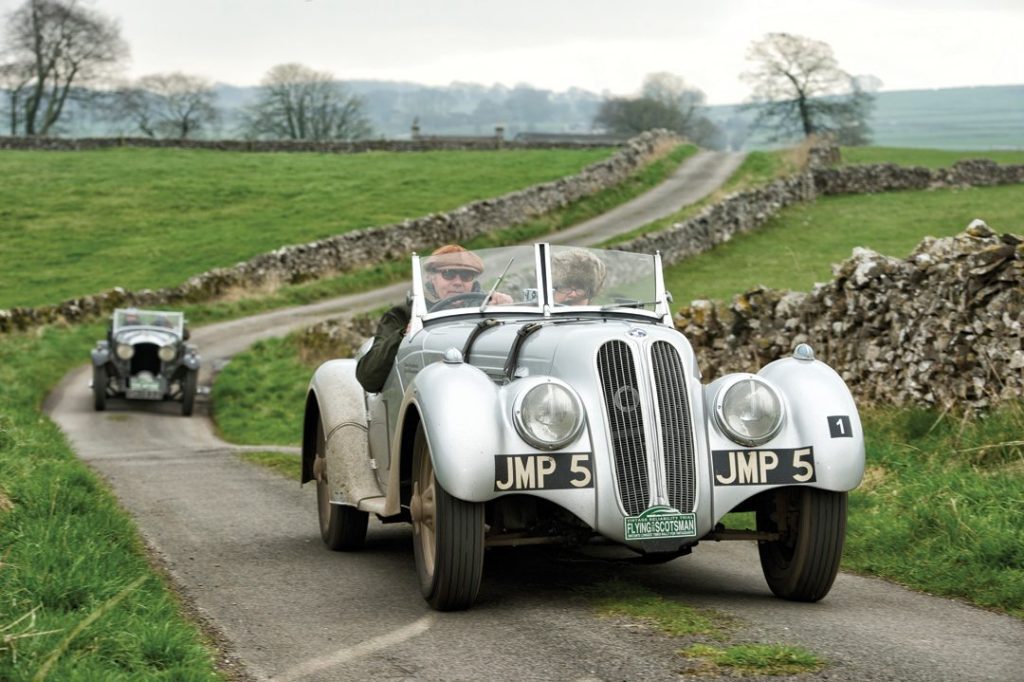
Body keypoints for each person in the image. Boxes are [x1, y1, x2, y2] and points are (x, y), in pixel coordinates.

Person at [356, 244, 510, 393]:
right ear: (431, 277)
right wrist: (404, 334)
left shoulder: (489, 310)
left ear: (473, 280)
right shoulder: (402, 314)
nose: (457, 282)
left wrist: (506, 313)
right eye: (448, 274)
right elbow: (369, 378)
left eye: (466, 276)